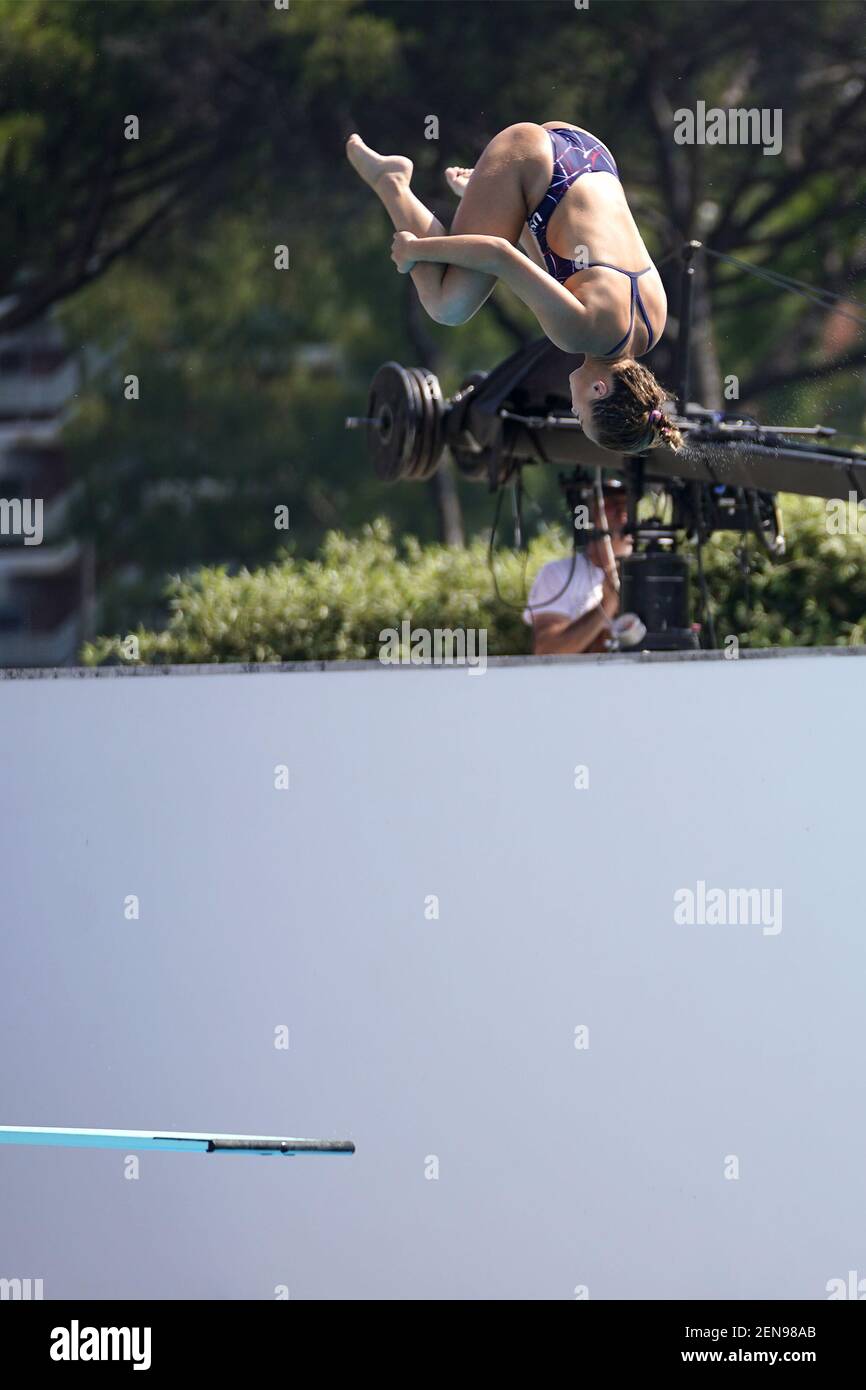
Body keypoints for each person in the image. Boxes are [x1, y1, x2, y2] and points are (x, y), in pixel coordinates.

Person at [346, 122, 684, 455]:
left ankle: (488, 194)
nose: (572, 409)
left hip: (587, 150)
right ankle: (392, 182)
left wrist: (492, 201)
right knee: (446, 307)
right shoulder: (579, 335)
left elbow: (555, 261)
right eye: (580, 415)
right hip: (528, 156)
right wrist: (415, 251)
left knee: (463, 279)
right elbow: (498, 254)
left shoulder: (652, 325)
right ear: (600, 388)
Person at [525, 485, 633, 655]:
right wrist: (606, 606)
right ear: (586, 516)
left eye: (629, 506)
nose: (623, 514)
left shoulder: (649, 573)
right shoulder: (558, 574)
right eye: (611, 506)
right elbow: (547, 650)